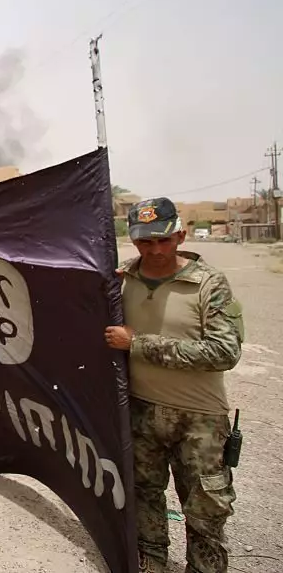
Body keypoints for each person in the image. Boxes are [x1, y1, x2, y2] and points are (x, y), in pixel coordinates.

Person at [104, 197, 244, 573]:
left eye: (164, 240)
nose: (156, 250)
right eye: (145, 242)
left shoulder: (208, 283)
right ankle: (151, 563)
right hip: (140, 409)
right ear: (134, 241)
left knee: (204, 511)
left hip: (200, 419)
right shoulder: (123, 278)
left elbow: (224, 351)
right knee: (143, 496)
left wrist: (139, 343)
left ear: (180, 235)